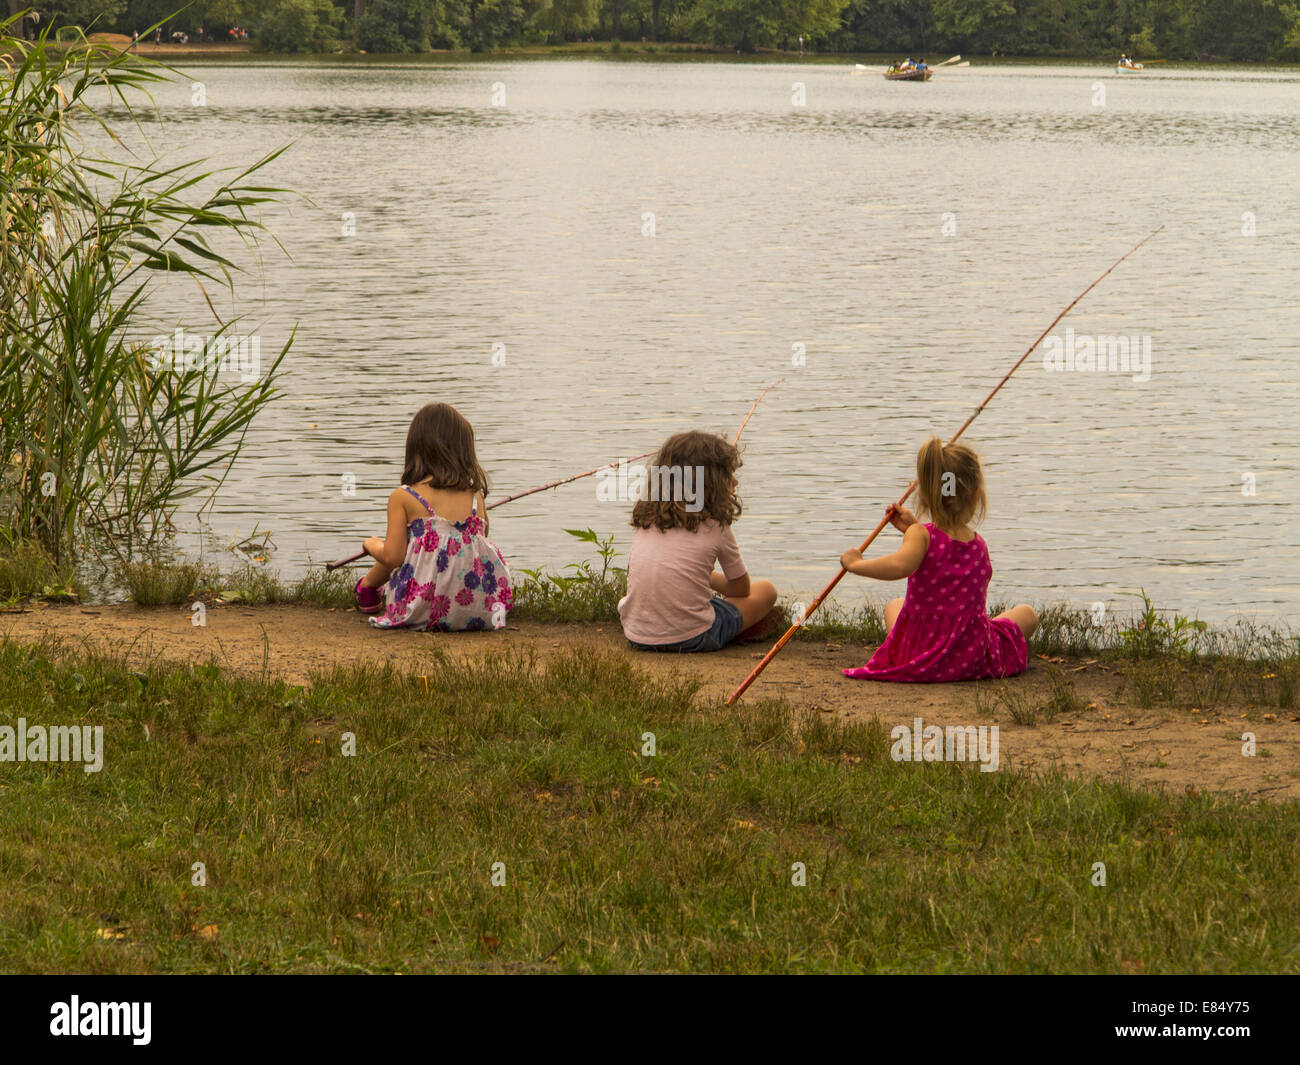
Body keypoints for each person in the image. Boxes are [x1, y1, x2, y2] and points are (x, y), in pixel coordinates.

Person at [839, 437, 1038, 682]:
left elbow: (901, 565)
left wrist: (856, 564)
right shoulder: (979, 545)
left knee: (895, 605)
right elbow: (948, 563)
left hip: (920, 654)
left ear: (926, 494)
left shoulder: (921, 535)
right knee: (1027, 614)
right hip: (969, 657)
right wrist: (915, 530)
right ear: (975, 495)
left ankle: (908, 651)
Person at [355, 402, 512, 632]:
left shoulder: (403, 497)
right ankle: (368, 588)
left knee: (403, 545)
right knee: (422, 543)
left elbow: (393, 557)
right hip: (485, 609)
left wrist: (371, 544)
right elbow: (479, 542)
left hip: (423, 610)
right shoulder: (475, 496)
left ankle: (367, 589)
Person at [619, 431, 777, 653]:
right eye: (728, 474)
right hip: (695, 638)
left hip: (637, 636)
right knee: (766, 590)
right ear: (712, 484)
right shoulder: (716, 526)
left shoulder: (646, 519)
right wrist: (708, 577)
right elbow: (741, 589)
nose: (735, 480)